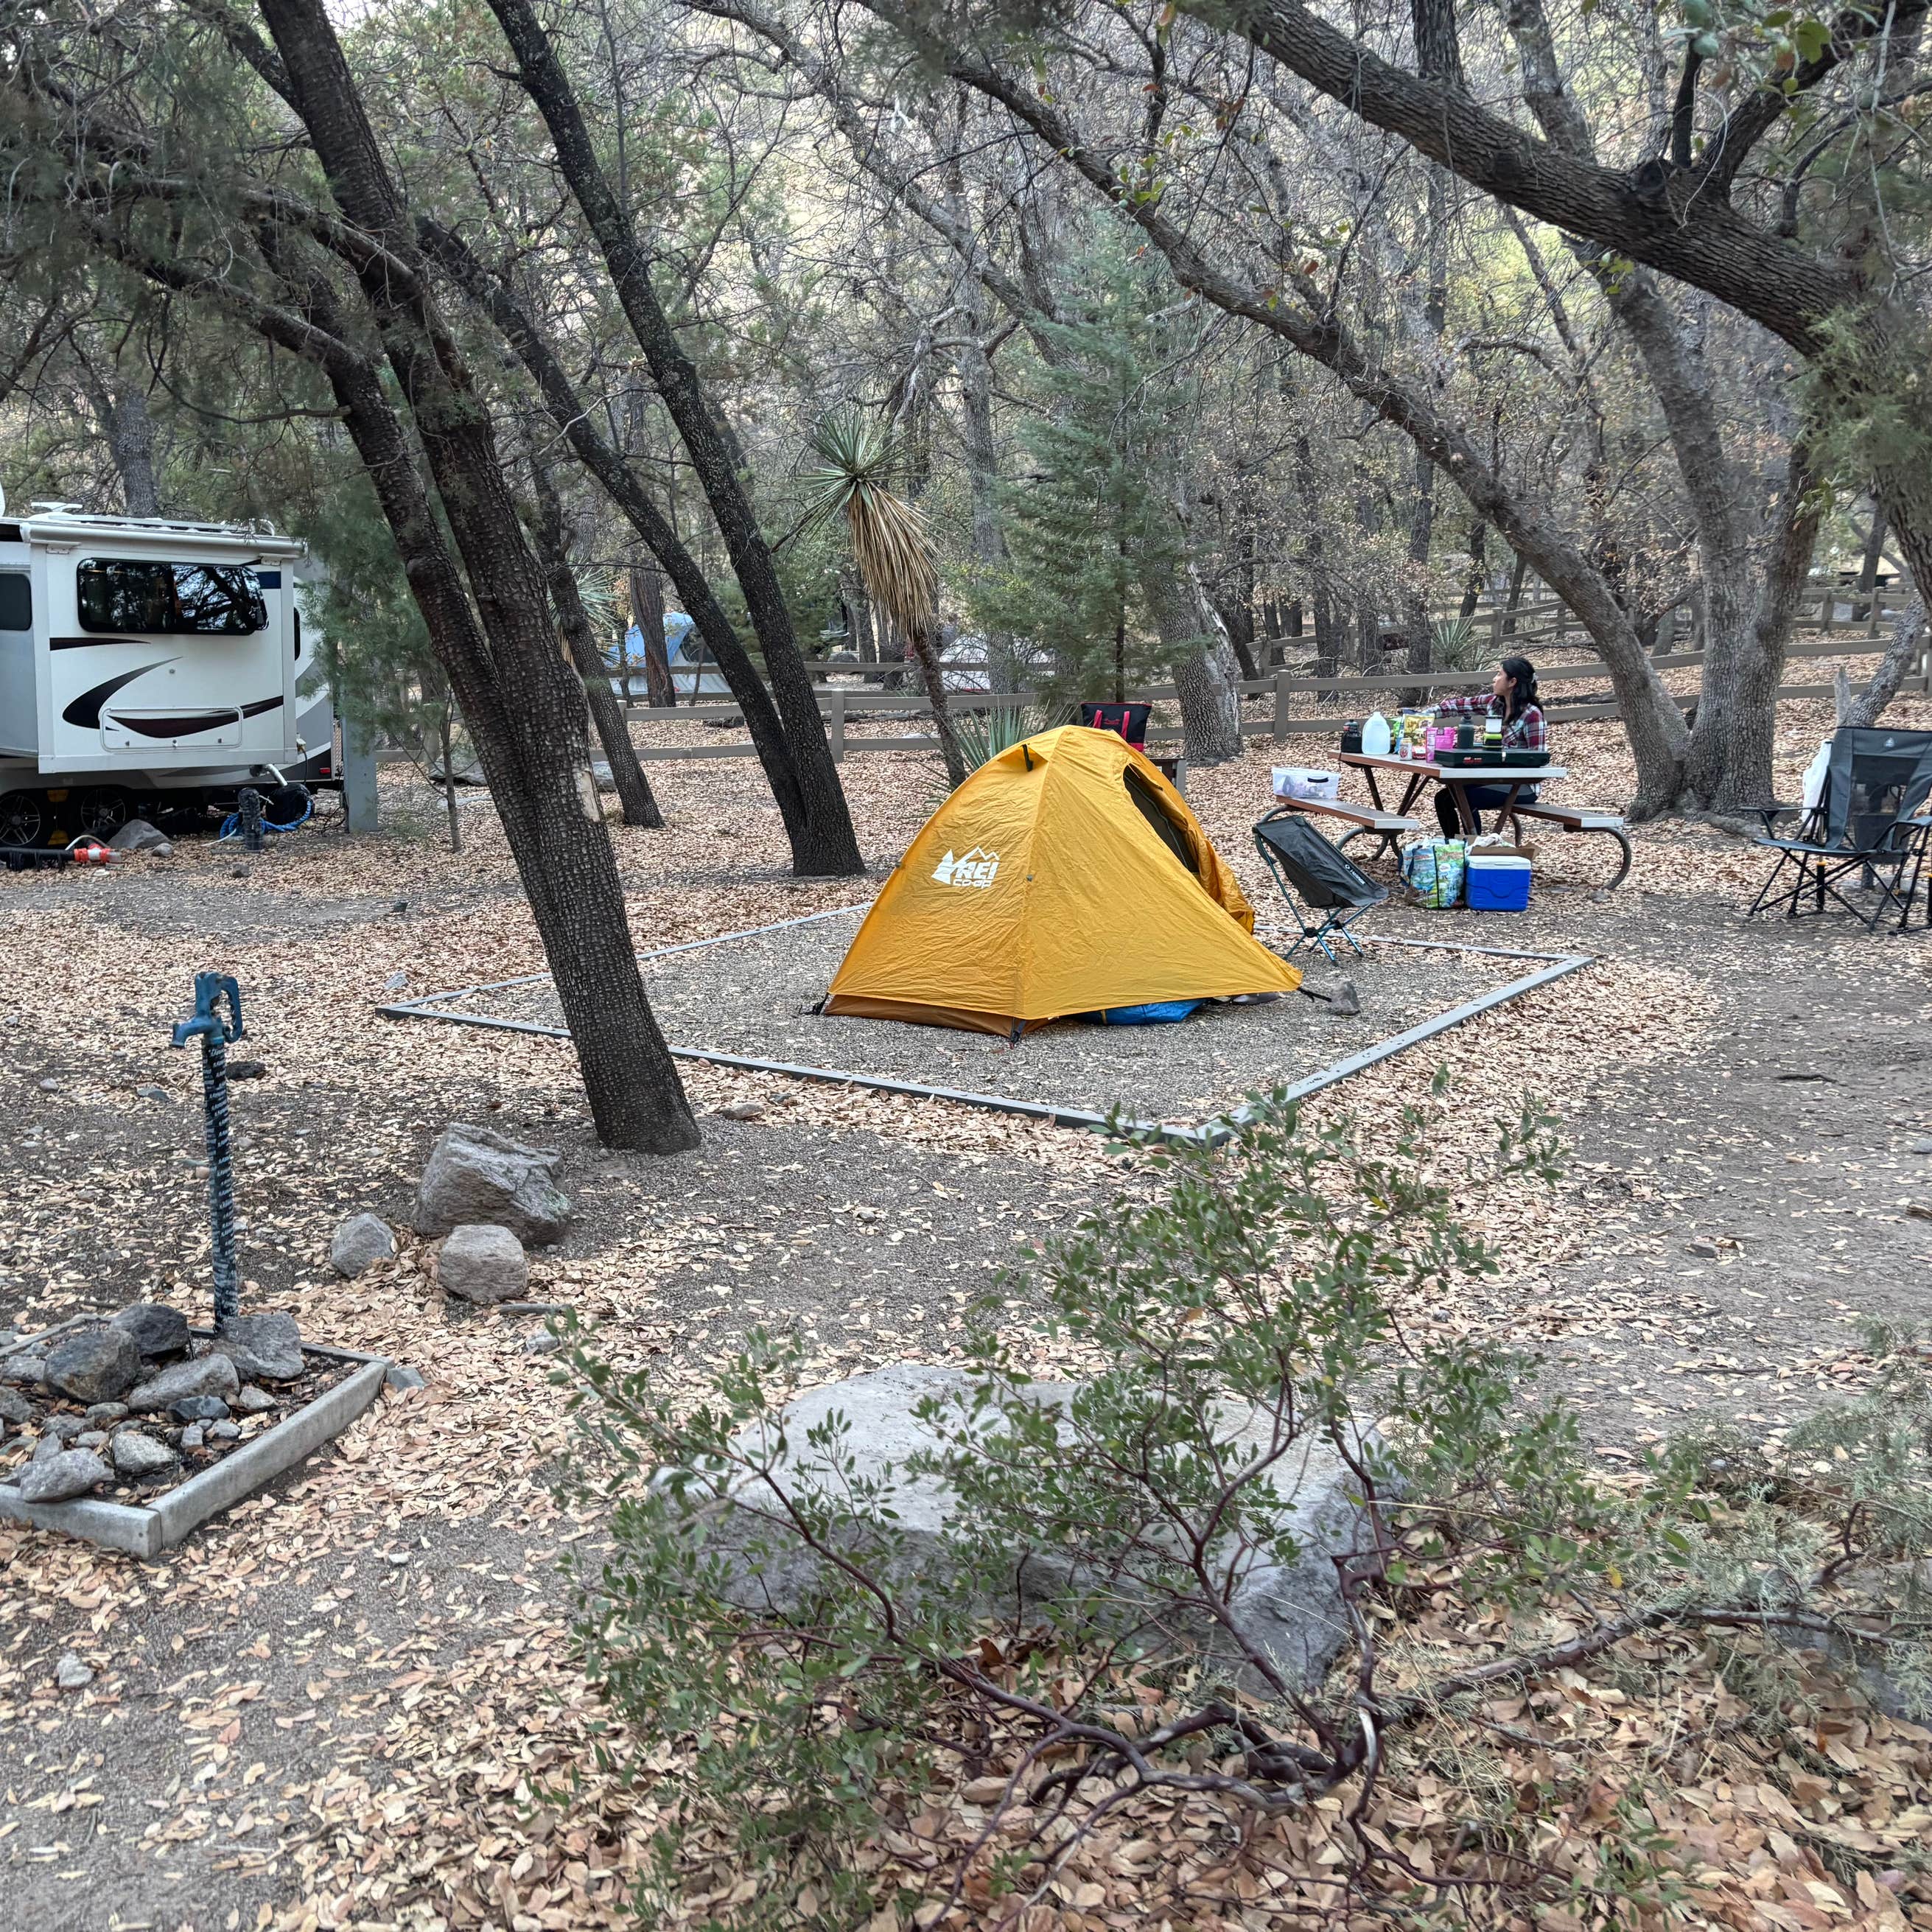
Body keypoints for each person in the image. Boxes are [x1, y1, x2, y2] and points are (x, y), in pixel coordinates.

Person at [1432, 655, 1546, 836]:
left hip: (1522, 786)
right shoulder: (1494, 703)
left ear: (1512, 682)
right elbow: (1457, 706)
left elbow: (1538, 759)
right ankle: (1453, 846)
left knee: (1465, 798)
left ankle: (1474, 847)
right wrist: (1423, 715)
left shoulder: (1532, 715)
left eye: (1499, 674)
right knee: (1444, 798)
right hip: (1494, 778)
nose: (1494, 678)